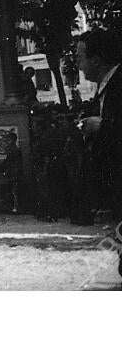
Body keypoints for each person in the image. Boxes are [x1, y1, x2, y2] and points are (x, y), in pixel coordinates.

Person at [77, 29, 122, 235]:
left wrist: (102, 127)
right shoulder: (105, 87)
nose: (78, 64)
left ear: (95, 60)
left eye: (80, 58)